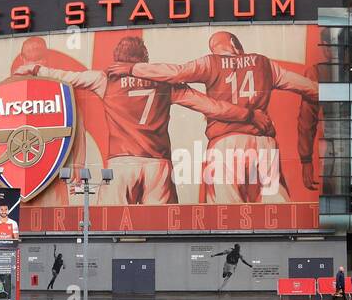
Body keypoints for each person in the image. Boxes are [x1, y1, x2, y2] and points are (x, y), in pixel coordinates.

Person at [21, 36, 273, 205]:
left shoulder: (104, 79)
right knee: (161, 229)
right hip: (158, 166)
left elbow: (66, 77)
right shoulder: (166, 84)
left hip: (120, 164)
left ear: (118, 58)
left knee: (106, 229)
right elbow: (211, 106)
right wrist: (249, 115)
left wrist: (35, 69)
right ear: (145, 59)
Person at [106, 30, 320, 202]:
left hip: (224, 143)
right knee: (276, 201)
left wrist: (133, 69)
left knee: (226, 209)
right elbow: (311, 89)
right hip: (263, 142)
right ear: (236, 45)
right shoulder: (265, 64)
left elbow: (176, 72)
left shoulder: (210, 63)